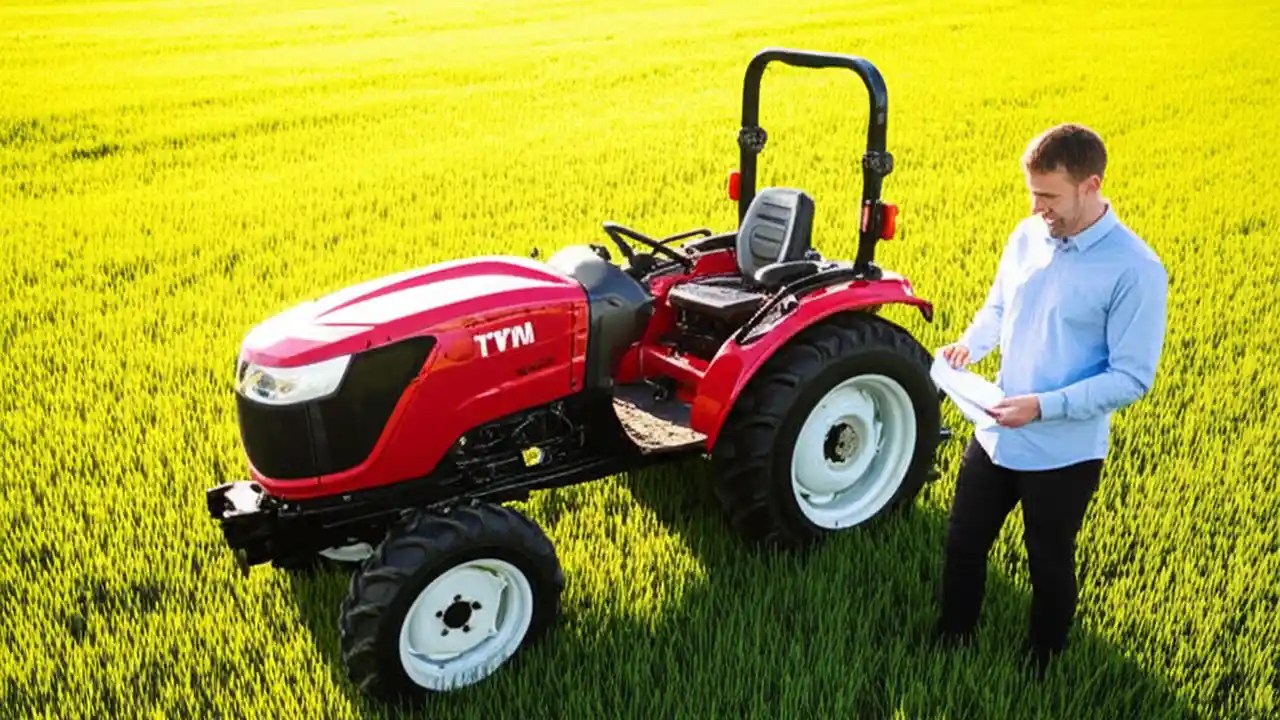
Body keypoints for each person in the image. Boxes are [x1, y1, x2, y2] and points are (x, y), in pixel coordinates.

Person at [931, 123, 1169, 676]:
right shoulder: (1027, 234)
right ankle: (951, 644)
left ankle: (1042, 666)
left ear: (1092, 185)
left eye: (1050, 195)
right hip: (995, 431)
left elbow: (1132, 378)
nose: (1038, 207)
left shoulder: (1136, 270)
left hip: (1064, 451)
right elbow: (998, 306)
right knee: (964, 545)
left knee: (1048, 561)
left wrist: (1042, 406)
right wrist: (970, 345)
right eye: (1033, 193)